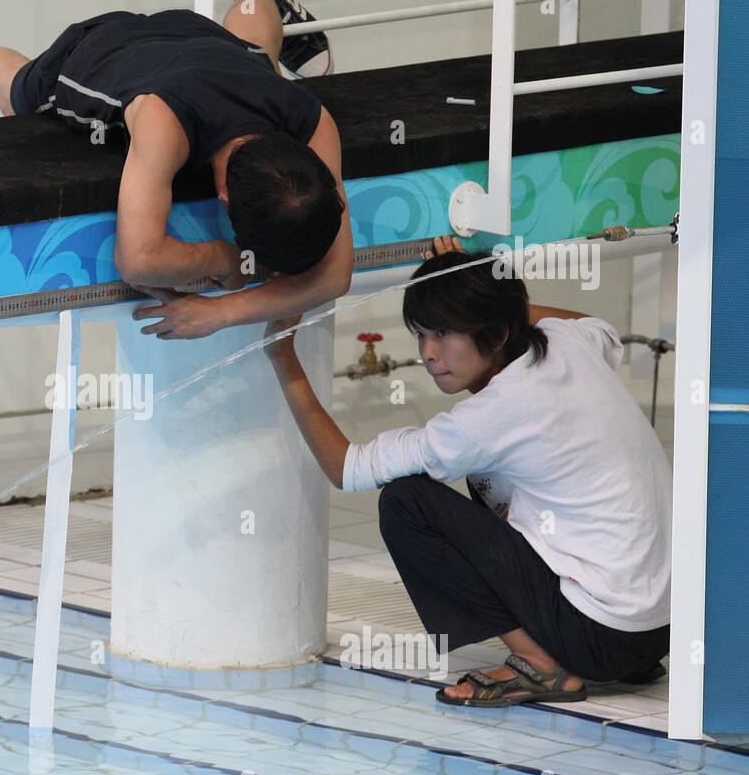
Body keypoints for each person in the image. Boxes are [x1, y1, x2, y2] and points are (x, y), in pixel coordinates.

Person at [263, 235, 671, 707]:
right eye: (422, 333)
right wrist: (473, 293)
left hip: (599, 637)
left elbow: (345, 467)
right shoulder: (567, 340)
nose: (428, 353)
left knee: (407, 502)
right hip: (658, 630)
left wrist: (284, 358)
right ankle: (606, 656)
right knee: (491, 478)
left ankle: (539, 664)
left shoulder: (492, 416)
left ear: (496, 334)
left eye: (444, 333)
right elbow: (596, 325)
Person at [0, 0, 351, 340]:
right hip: (106, 48)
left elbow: (335, 275)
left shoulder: (313, 121)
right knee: (15, 92)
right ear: (225, 198)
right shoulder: (165, 125)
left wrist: (222, 312)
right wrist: (226, 256)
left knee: (256, 52)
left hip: (207, 44)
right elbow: (138, 260)